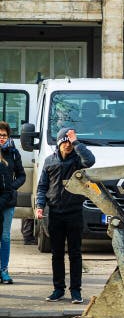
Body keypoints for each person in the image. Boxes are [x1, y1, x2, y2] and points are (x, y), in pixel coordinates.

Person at [35, 126, 95, 304]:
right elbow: (42, 186)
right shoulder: (49, 161)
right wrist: (40, 206)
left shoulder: (78, 161)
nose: (68, 145)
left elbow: (90, 160)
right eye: (65, 141)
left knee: (75, 254)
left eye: (70, 142)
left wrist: (76, 142)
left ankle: (76, 291)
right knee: (57, 254)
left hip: (74, 212)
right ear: (59, 143)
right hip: (55, 213)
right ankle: (58, 289)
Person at [0, 121, 25, 283]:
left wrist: (11, 187)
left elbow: (22, 175)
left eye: (4, 135)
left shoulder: (14, 153)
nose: (1, 138)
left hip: (8, 200)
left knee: (6, 237)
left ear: (8, 137)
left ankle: (4, 270)